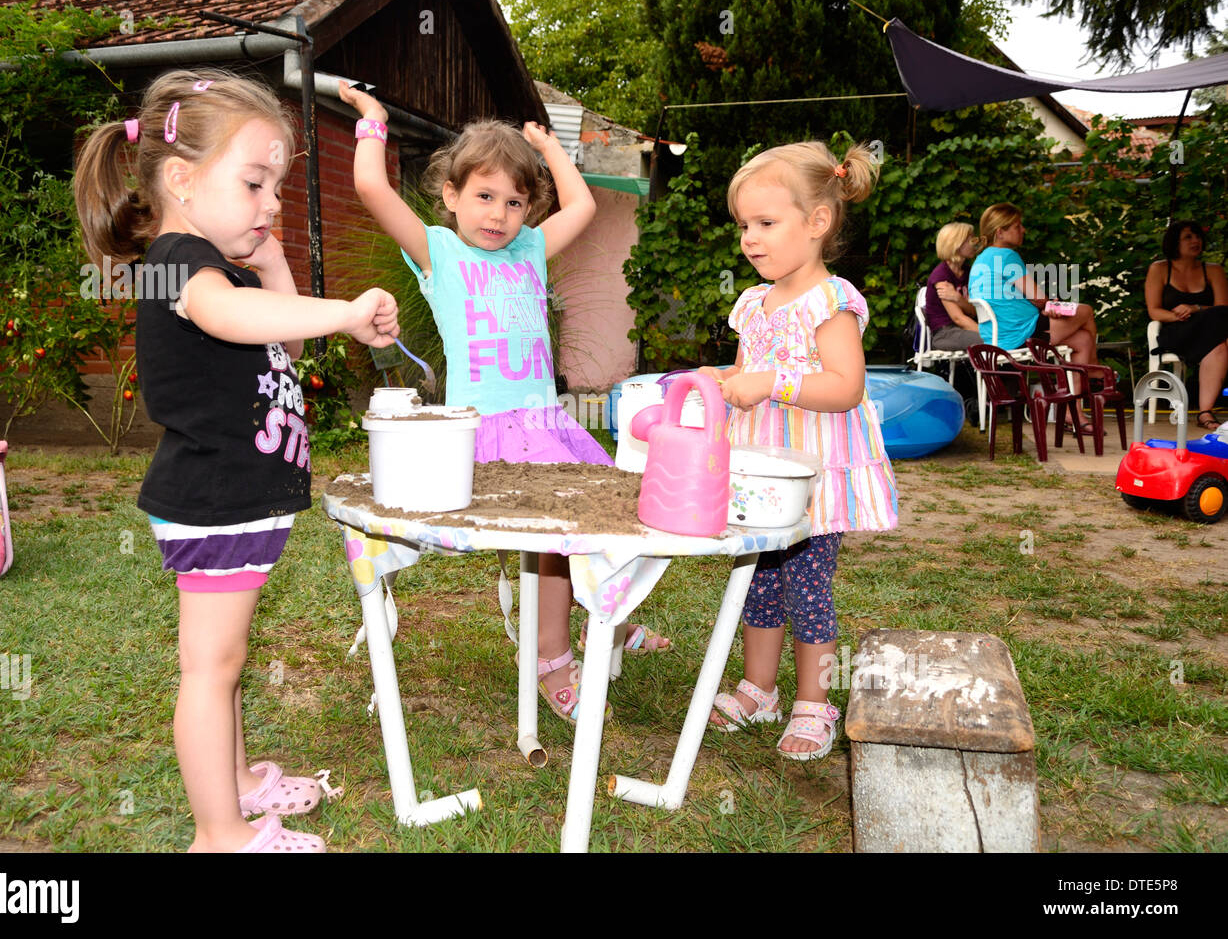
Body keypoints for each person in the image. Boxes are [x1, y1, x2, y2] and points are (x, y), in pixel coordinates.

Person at [74, 70, 399, 852]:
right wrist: (347, 313)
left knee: (226, 660)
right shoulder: (180, 261)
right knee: (209, 670)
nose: (272, 201)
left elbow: (279, 341)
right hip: (212, 503)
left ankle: (240, 778)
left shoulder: (215, 262)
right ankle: (219, 832)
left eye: (278, 186)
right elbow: (228, 315)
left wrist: (277, 257)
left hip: (234, 503)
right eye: (255, 182)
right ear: (180, 180)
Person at [339, 83, 670, 725]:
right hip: (486, 434)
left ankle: (609, 615)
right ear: (451, 196)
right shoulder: (440, 251)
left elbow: (578, 204)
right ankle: (551, 659)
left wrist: (549, 147)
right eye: (484, 196)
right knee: (547, 543)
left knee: (597, 520)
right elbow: (373, 190)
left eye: (515, 201)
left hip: (545, 427)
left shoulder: (529, 250)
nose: (498, 214)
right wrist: (373, 124)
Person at [699, 143, 898, 759]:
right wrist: (716, 381)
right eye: (743, 226)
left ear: (817, 223)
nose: (750, 240)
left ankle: (815, 700)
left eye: (766, 223)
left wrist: (774, 383)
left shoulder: (830, 302)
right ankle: (760, 690)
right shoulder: (753, 305)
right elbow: (743, 375)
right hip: (762, 474)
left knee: (807, 585)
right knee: (756, 579)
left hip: (814, 477)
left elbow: (845, 388)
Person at [968, 202, 1100, 429]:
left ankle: (1074, 413)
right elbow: (1039, 298)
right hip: (1022, 332)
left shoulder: (982, 258)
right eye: (1017, 226)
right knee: (1085, 310)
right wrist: (1051, 305)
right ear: (1000, 232)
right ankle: (1095, 372)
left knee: (1083, 340)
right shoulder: (1006, 256)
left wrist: (1048, 305)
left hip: (999, 336)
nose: (1023, 230)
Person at [1144, 220, 1228, 429]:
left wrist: (1195, 308)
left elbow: (1223, 308)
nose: (1195, 241)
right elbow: (1154, 311)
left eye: (1198, 236)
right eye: (1188, 237)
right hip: (1177, 330)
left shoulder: (1213, 270)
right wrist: (1180, 315)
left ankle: (1205, 413)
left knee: (1218, 345)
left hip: (1211, 332)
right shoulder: (1160, 269)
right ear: (1174, 242)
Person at [924, 221, 982, 351]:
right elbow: (958, 318)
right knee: (989, 340)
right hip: (945, 333)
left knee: (999, 337)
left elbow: (973, 311)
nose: (974, 243)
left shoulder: (967, 271)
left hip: (963, 329)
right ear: (956, 244)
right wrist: (992, 335)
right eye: (970, 240)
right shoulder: (941, 276)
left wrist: (958, 298)